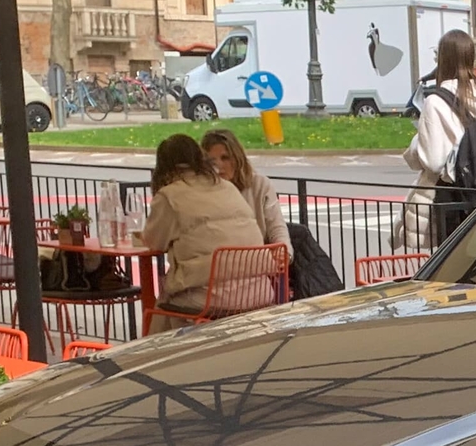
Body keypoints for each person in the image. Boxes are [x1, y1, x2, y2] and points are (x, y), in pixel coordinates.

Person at [139, 133, 265, 329]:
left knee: (165, 303)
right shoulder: (227, 187)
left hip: (211, 298)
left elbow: (154, 242)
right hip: (258, 291)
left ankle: (157, 348)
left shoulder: (169, 196)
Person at [201, 125, 340, 300]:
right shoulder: (201, 192)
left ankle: (330, 298)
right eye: (212, 161)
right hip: (223, 270)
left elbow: (276, 225)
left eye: (225, 158)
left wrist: (283, 252)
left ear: (237, 158)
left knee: (299, 235)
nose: (219, 166)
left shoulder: (259, 184)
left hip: (259, 265)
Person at [403, 31, 476, 249]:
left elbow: (434, 161)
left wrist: (416, 146)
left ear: (443, 60)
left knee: (451, 260)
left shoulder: (435, 101)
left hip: (453, 199)